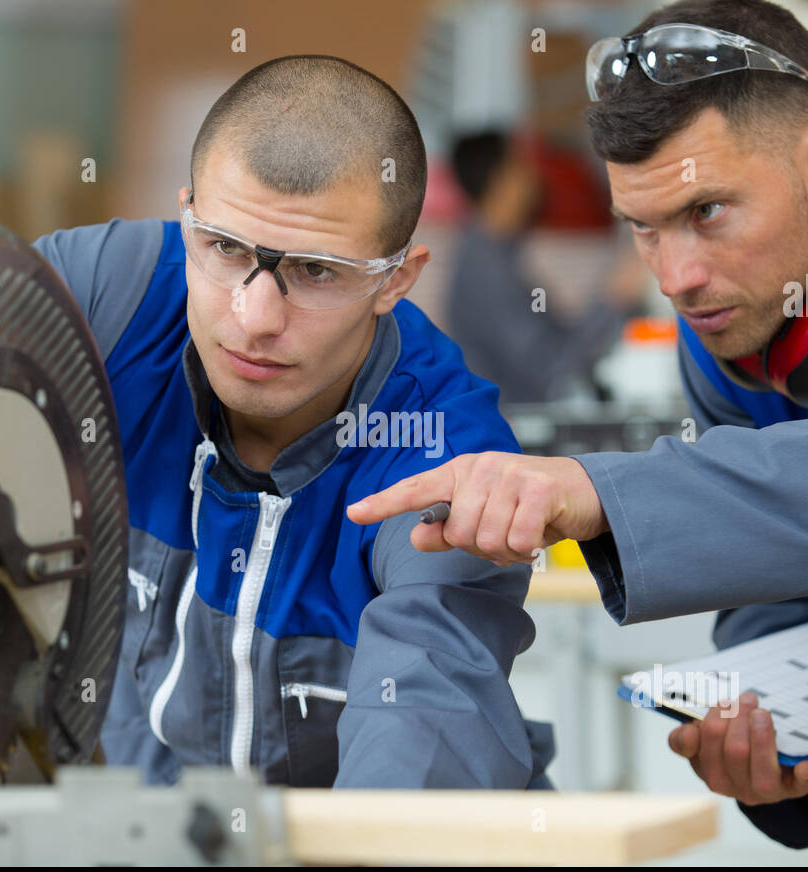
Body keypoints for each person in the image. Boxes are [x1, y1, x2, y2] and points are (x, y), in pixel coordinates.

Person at [349, 0, 808, 862]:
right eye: (643, 226)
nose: (676, 278)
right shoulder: (735, 323)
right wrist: (771, 740)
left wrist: (599, 488)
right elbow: (793, 575)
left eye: (708, 210)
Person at [33, 55, 554, 789]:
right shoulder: (112, 297)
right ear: (187, 219)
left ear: (396, 279)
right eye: (226, 249)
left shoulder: (440, 448)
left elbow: (425, 722)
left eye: (316, 271)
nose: (254, 318)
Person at [446, 129, 643, 404]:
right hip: (517, 431)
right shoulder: (488, 272)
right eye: (523, 167)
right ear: (501, 181)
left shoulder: (492, 256)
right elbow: (552, 368)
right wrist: (613, 299)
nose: (536, 178)